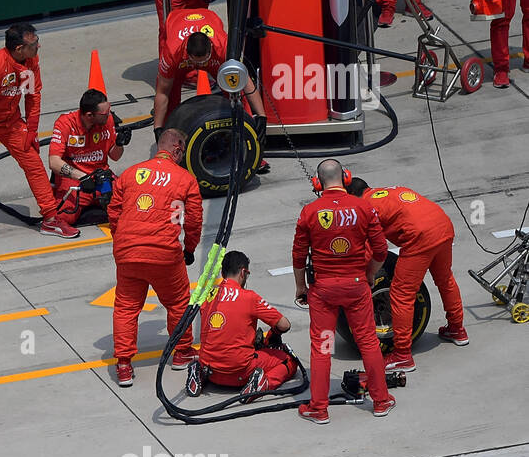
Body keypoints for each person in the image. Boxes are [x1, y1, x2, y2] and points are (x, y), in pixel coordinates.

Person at [0, 24, 78, 239]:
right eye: (34, 44)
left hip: (11, 121)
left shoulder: (30, 61)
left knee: (34, 164)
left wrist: (32, 131)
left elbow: (32, 95)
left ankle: (50, 218)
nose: (39, 46)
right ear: (19, 48)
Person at [292, 160, 394, 423]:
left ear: (318, 183)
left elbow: (298, 255)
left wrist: (301, 286)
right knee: (369, 342)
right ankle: (381, 402)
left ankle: (319, 408)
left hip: (323, 291)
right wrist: (370, 274)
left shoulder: (309, 212)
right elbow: (381, 250)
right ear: (346, 178)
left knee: (322, 347)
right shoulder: (364, 207)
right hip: (357, 286)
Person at [106, 128, 202, 386]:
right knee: (179, 302)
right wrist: (190, 249)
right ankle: (182, 353)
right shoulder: (185, 179)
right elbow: (193, 220)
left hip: (127, 253)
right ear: (178, 149)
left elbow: (113, 212)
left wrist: (124, 242)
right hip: (164, 254)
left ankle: (124, 365)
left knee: (126, 307)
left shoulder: (128, 174)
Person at [347, 177, 467, 370]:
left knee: (401, 294)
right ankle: (457, 330)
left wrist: (364, 275)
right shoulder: (390, 190)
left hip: (420, 237)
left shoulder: (365, 207)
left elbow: (375, 249)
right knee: (445, 280)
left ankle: (402, 355)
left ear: (352, 195)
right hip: (443, 226)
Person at [195, 249, 298, 399]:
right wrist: (272, 335)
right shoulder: (249, 297)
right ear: (243, 272)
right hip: (239, 372)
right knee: (289, 360)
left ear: (223, 273)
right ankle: (263, 383)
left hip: (210, 370)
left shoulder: (208, 296)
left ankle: (199, 373)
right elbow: (284, 325)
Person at [153, 7, 267, 142]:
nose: (200, 66)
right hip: (176, 23)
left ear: (211, 48)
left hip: (209, 25)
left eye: (203, 61)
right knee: (171, 95)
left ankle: (247, 137)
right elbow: (162, 93)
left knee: (235, 88)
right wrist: (158, 127)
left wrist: (261, 115)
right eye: (195, 62)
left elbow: (245, 82)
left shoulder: (224, 45)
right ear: (187, 52)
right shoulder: (172, 51)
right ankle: (169, 144)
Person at [48, 89, 129, 227]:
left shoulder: (107, 121)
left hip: (102, 177)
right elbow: (53, 162)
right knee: (62, 218)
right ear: (90, 115)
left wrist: (119, 143)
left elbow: (115, 156)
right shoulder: (65, 123)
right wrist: (82, 177)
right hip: (76, 180)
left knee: (131, 207)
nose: (110, 115)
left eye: (109, 109)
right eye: (105, 113)